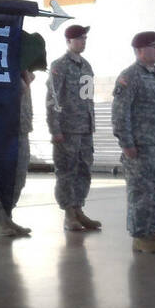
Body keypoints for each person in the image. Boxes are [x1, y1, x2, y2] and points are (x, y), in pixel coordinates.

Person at [112, 31, 155, 254]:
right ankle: (139, 236)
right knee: (141, 191)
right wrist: (126, 143)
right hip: (140, 146)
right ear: (140, 50)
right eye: (153, 45)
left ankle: (152, 232)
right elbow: (120, 114)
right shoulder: (129, 77)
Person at [0, 36, 46, 238]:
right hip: (5, 131)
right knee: (2, 175)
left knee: (18, 176)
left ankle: (7, 217)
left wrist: (25, 74)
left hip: (22, 129)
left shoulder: (23, 74)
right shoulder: (3, 71)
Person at [47, 24, 101, 231]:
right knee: (66, 170)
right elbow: (52, 99)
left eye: (85, 38)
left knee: (84, 169)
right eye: (79, 39)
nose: (83, 42)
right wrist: (55, 129)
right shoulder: (59, 66)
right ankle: (68, 213)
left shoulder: (86, 66)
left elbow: (88, 98)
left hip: (85, 128)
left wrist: (91, 124)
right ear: (68, 41)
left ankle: (79, 208)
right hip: (67, 129)